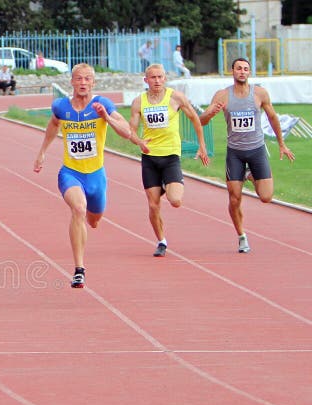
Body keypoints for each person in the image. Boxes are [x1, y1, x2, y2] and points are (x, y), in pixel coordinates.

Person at [32, 63, 134, 288]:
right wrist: (41, 153)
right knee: (78, 208)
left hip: (96, 176)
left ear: (93, 83)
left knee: (94, 221)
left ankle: (89, 217)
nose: (83, 83)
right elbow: (53, 126)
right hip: (71, 172)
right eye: (78, 79)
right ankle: (79, 269)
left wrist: (106, 117)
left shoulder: (102, 104)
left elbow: (127, 132)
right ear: (72, 82)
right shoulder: (61, 106)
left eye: (87, 79)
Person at [199, 57, 295, 253]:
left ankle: (250, 174)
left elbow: (273, 117)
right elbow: (202, 121)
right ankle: (241, 236)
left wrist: (281, 144)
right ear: (232, 71)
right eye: (238, 68)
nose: (242, 72)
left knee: (266, 197)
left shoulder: (259, 93)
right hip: (235, 153)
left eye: (245, 69)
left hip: (257, 150)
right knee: (234, 198)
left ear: (249, 72)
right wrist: (211, 113)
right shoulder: (223, 95)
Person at [129, 64, 210, 257]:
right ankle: (161, 241)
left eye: (160, 77)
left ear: (165, 79)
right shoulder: (138, 102)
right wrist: (138, 141)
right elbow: (130, 130)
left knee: (175, 201)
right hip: (150, 158)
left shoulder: (175, 97)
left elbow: (195, 118)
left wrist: (202, 145)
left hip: (171, 156)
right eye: (153, 77)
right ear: (145, 80)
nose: (157, 81)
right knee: (153, 204)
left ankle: (167, 185)